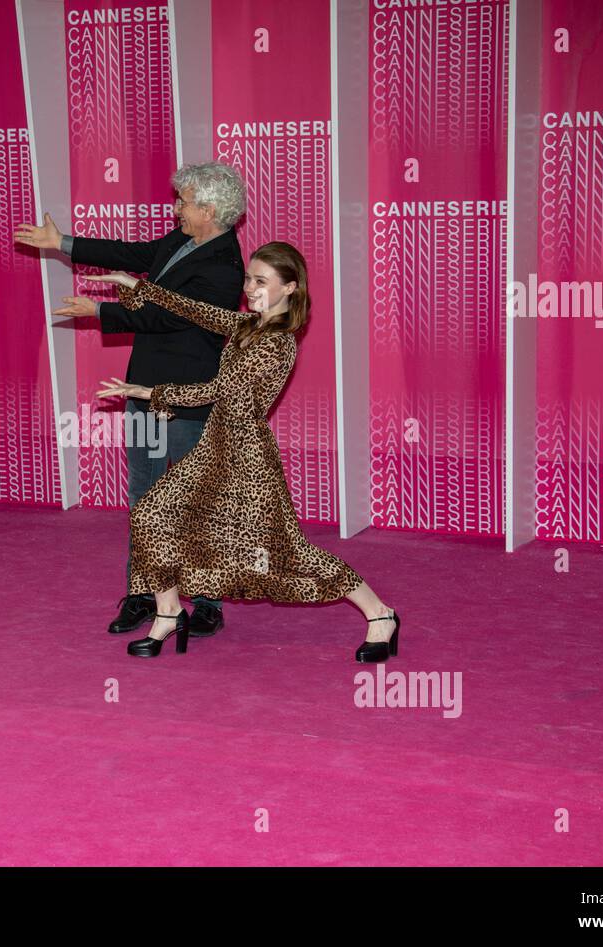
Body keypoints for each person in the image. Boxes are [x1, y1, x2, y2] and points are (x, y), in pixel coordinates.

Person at [90, 242, 400, 662]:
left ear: (290, 288)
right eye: (248, 279)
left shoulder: (277, 343)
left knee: (289, 553)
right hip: (215, 444)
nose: (249, 288)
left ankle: (380, 614)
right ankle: (168, 612)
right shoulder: (246, 326)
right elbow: (195, 310)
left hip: (246, 460)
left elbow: (219, 391)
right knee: (150, 514)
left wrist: (151, 391)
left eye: (260, 281)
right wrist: (138, 286)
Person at [13, 162, 245, 639]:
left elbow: (168, 319)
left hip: (187, 400)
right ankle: (146, 594)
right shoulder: (179, 242)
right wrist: (64, 243)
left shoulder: (225, 268)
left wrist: (101, 311)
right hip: (140, 391)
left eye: (184, 202)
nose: (176, 208)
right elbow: (131, 253)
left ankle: (206, 602)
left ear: (209, 209)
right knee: (143, 496)